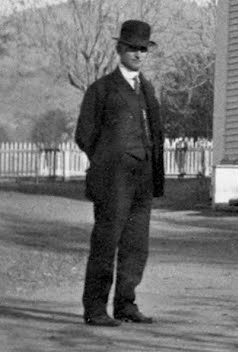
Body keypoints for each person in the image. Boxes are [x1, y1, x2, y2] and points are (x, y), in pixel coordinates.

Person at [74, 19, 165, 326]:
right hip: (113, 180)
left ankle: (126, 304)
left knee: (136, 246)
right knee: (105, 243)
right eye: (132, 48)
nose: (138, 54)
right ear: (119, 49)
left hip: (142, 180)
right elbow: (84, 134)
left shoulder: (148, 89)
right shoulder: (101, 89)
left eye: (143, 49)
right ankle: (96, 310)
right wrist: (108, 160)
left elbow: (155, 132)